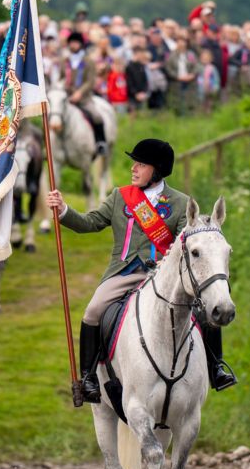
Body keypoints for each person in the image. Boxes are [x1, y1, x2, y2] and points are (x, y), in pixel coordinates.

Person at [45, 138, 237, 403]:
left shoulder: (180, 203)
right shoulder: (119, 197)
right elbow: (89, 223)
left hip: (162, 277)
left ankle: (216, 368)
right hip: (123, 273)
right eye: (134, 163)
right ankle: (89, 377)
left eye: (141, 164)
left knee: (206, 310)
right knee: (92, 312)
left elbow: (187, 242)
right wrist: (63, 210)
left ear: (156, 170)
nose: (133, 168)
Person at [62, 32, 106, 155]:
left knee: (96, 115)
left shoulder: (88, 61)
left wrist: (79, 93)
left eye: (76, 43)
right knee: (54, 115)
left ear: (81, 44)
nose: (74, 45)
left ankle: (100, 142)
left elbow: (90, 81)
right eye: (72, 43)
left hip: (84, 98)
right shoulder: (65, 61)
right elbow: (61, 77)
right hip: (67, 97)